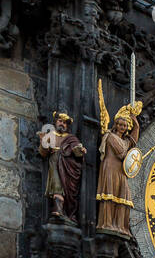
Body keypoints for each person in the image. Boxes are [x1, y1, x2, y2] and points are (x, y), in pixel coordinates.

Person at [96, 98, 140, 236]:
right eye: (120, 124)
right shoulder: (111, 137)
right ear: (115, 125)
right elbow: (122, 154)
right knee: (109, 195)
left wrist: (136, 124)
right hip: (110, 168)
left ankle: (121, 226)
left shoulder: (124, 141)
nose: (122, 127)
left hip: (120, 171)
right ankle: (106, 223)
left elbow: (132, 141)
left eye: (125, 125)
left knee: (123, 195)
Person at [40, 110, 86, 222]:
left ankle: (65, 211)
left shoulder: (71, 138)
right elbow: (43, 153)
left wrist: (80, 150)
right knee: (57, 185)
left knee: (67, 189)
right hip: (55, 162)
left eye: (65, 122)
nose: (62, 124)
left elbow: (77, 150)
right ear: (55, 122)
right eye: (60, 121)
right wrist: (43, 142)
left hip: (68, 166)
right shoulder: (50, 135)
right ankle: (57, 209)